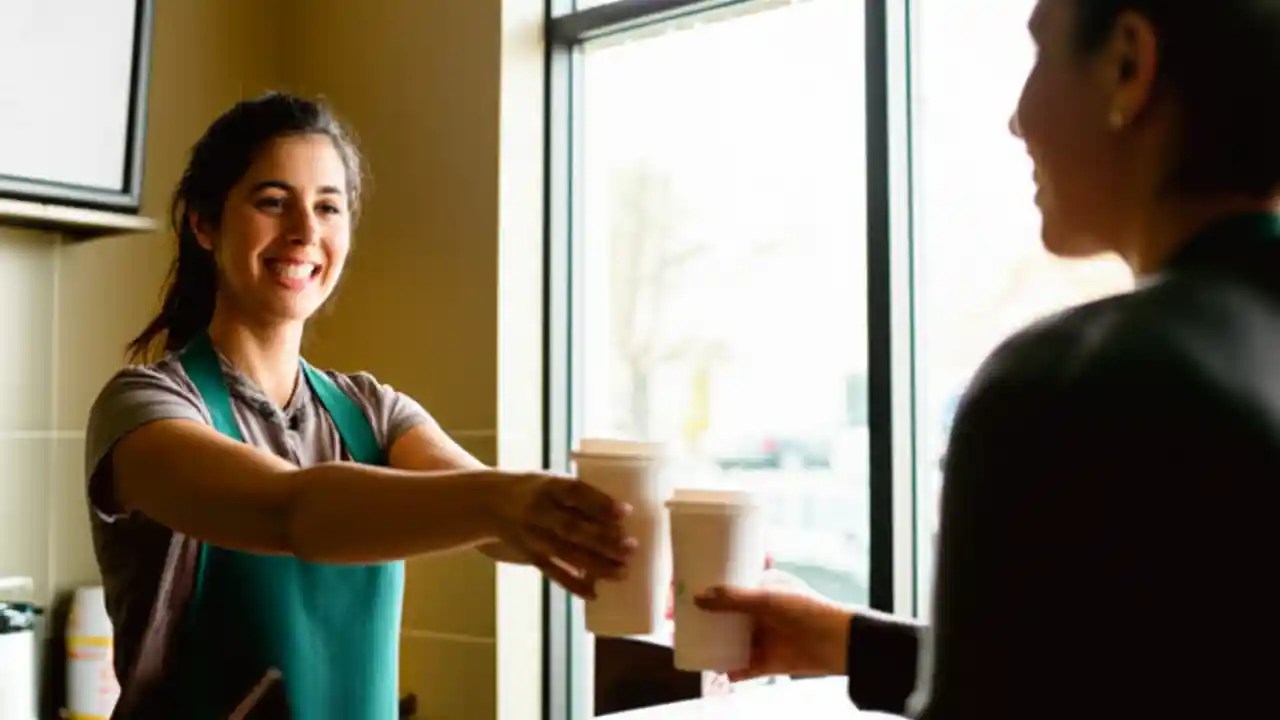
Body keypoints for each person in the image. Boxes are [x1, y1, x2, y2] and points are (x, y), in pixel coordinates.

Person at [696, 1, 1280, 717]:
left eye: (1040, 52)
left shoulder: (1074, 386)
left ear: (1129, 65)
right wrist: (850, 644)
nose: (1017, 119)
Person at [85, 93, 633, 720]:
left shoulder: (371, 411)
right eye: (272, 202)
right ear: (204, 224)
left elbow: (494, 515)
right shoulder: (145, 409)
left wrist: (606, 526)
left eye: (328, 207)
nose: (305, 232)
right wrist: (503, 502)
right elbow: (291, 511)